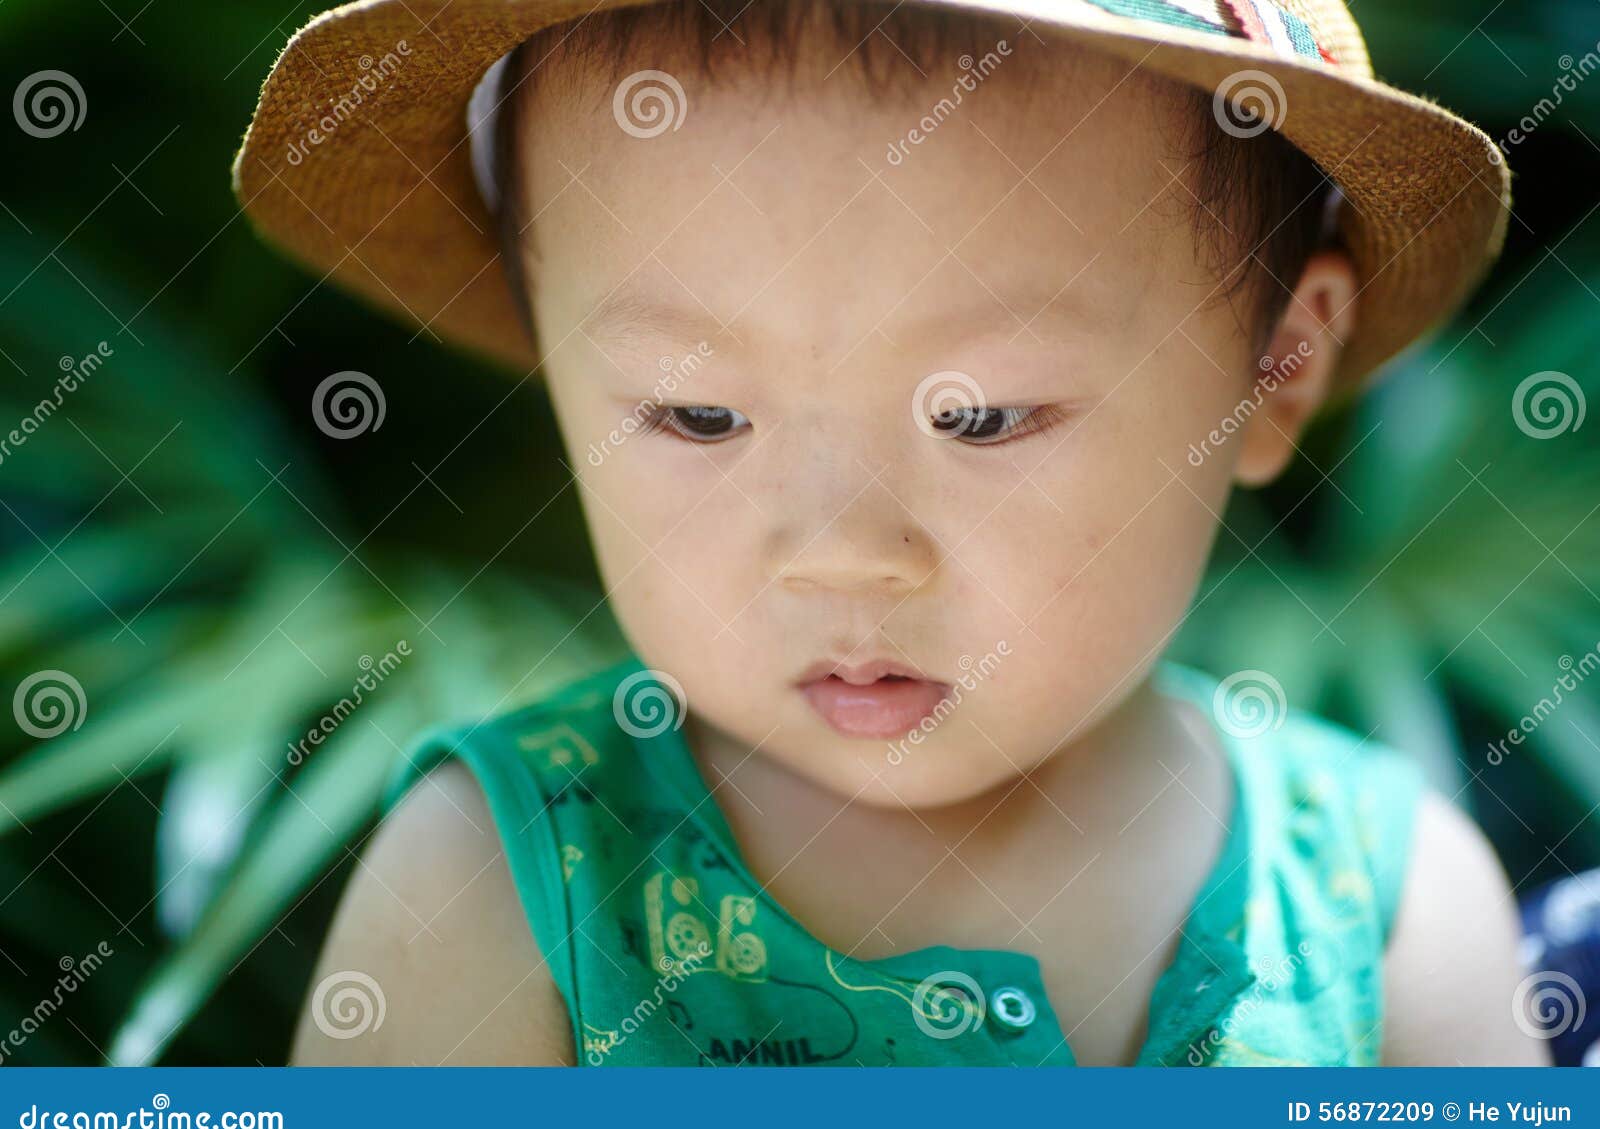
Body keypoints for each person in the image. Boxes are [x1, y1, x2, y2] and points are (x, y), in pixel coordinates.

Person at [234, 0, 1546, 1066]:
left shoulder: (1387, 916)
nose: (841, 552)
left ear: (1275, 370)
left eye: (981, 417)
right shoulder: (497, 890)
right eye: (698, 413)